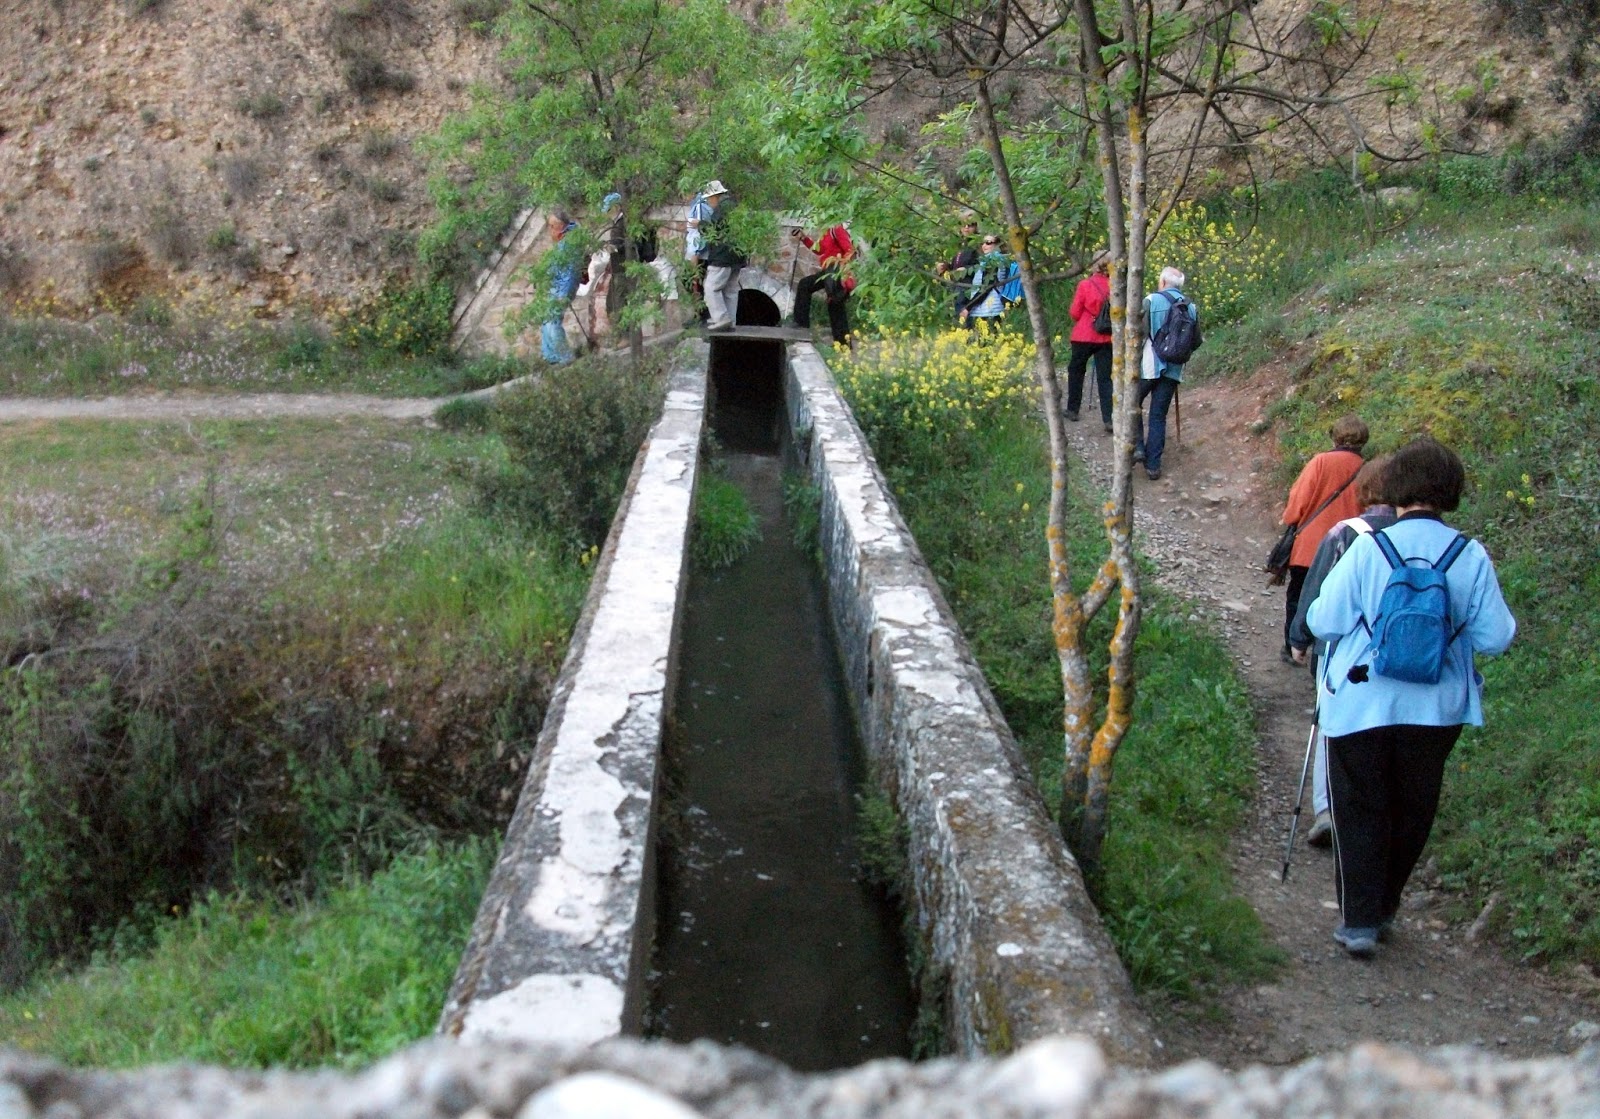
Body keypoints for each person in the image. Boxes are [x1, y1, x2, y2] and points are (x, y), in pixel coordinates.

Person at [1306, 437, 1516, 957]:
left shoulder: (1367, 549)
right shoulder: (1470, 555)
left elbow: (1323, 620)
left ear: (1397, 487)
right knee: (1412, 808)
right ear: (1451, 490)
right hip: (1436, 707)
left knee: (1359, 806)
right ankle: (1386, 905)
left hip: (1361, 700)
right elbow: (1496, 637)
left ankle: (1358, 923)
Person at [1286, 454, 1396, 848]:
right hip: (1394, 652)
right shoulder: (1412, 534)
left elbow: (1314, 592)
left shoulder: (1346, 533)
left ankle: (1326, 810)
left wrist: (1299, 638)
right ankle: (1370, 810)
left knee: (1328, 725)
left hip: (1340, 651)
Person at [1278, 415, 1369, 664]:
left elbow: (1299, 500)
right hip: (1350, 547)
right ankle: (1327, 655)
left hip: (1311, 544)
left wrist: (1291, 519)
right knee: (1339, 601)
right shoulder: (1368, 470)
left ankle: (1293, 646)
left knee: (1299, 596)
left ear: (1335, 437)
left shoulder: (1320, 462)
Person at [1134, 267, 1198, 481]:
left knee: (1132, 404)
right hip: (1173, 368)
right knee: (1158, 415)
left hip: (1148, 365)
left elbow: (1139, 334)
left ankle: (1137, 448)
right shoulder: (1191, 308)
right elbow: (1195, 341)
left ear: (1162, 281)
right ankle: (1153, 466)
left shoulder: (1150, 300)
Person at [1066, 255, 1114, 432]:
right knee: (1105, 378)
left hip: (1084, 334)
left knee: (1076, 370)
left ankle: (1073, 409)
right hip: (1106, 336)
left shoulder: (1085, 285)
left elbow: (1075, 313)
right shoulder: (1115, 286)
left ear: (1094, 265)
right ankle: (1109, 418)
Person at [791, 222, 856, 346]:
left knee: (835, 305)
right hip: (828, 272)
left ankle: (843, 345)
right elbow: (819, 250)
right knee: (805, 285)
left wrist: (841, 268)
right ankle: (801, 325)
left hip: (836, 272)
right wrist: (804, 238)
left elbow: (850, 251)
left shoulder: (836, 229)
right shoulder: (827, 231)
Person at [700, 180, 745, 332]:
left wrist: (700, 225)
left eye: (708, 199)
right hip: (737, 256)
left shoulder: (721, 209)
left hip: (722, 256)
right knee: (730, 290)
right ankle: (730, 321)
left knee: (711, 288)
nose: (708, 202)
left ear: (715, 196)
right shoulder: (735, 206)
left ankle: (721, 318)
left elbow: (713, 231)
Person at [540, 209, 582, 365]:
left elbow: (570, 272)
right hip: (556, 286)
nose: (550, 230)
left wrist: (562, 294)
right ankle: (551, 357)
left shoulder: (569, 244)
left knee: (552, 322)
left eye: (552, 226)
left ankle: (565, 357)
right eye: (549, 226)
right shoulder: (563, 241)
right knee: (546, 321)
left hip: (562, 289)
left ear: (561, 226)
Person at [960, 235, 1021, 332]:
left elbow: (985, 288)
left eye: (988, 243)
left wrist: (968, 307)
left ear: (997, 245)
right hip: (993, 309)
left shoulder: (992, 261)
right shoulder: (999, 259)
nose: (984, 245)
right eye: (983, 243)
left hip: (987, 310)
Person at [935, 215, 981, 322]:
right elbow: (955, 266)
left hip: (971, 288)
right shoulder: (958, 244)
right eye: (963, 225)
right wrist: (945, 267)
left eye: (970, 225)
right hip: (958, 286)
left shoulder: (979, 244)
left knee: (969, 320)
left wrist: (966, 269)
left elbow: (983, 265)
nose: (966, 228)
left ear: (975, 227)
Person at [683, 185, 715, 325]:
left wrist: (695, 254)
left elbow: (699, 234)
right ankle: (701, 314)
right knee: (696, 284)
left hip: (699, 254)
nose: (682, 197)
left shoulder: (699, 207)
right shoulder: (700, 205)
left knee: (693, 283)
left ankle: (701, 315)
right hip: (702, 253)